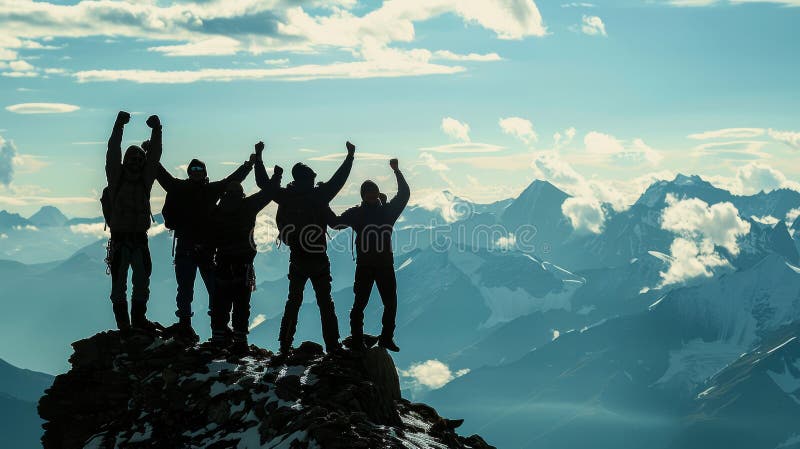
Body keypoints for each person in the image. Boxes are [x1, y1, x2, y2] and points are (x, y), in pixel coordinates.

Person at [155, 147, 256, 341]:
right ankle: (217, 328)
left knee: (189, 288)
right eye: (194, 170)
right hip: (206, 248)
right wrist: (249, 164)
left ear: (203, 173)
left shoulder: (179, 188)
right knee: (213, 290)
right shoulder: (211, 190)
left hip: (189, 246)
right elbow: (231, 181)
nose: (195, 173)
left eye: (198, 170)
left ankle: (188, 326)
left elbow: (161, 176)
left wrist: (150, 153)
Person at [264, 142, 355, 355]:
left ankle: (284, 346)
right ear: (309, 178)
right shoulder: (319, 196)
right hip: (318, 259)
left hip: (296, 258)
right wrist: (350, 157)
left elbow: (263, 184)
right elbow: (338, 185)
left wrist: (259, 160)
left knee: (293, 302)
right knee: (325, 303)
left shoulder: (286, 196)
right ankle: (333, 345)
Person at [328, 158, 409, 352]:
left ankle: (362, 339)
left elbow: (334, 223)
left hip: (368, 265)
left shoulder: (359, 213)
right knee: (385, 303)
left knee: (362, 305)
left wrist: (323, 202)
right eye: (369, 193)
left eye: (372, 193)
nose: (371, 196)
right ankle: (383, 338)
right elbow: (404, 194)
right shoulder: (387, 211)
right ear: (365, 195)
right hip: (381, 265)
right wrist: (397, 171)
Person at [209, 142, 282, 354]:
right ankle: (240, 340)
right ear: (241, 194)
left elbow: (210, 235)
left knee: (220, 302)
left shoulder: (216, 211)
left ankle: (218, 338)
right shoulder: (247, 206)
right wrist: (275, 175)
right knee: (241, 304)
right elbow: (268, 193)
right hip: (243, 263)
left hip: (222, 261)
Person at [104, 111, 162, 332]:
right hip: (125, 240)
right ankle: (127, 325)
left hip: (135, 240)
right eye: (133, 159)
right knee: (123, 285)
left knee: (140, 284)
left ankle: (134, 323)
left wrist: (157, 131)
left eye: (140, 160)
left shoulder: (143, 180)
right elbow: (112, 152)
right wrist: (119, 126)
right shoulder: (116, 178)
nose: (137, 163)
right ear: (126, 161)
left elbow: (155, 155)